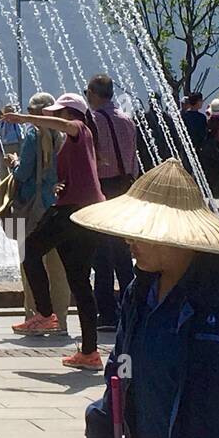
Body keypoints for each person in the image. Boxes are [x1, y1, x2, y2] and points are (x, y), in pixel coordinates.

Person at [79, 159, 219, 438]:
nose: (127, 240)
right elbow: (123, 365)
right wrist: (104, 419)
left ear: (171, 231)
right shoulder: (139, 293)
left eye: (138, 231)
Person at [2, 92, 105, 369]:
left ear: (70, 114)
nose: (55, 116)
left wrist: (23, 118)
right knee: (80, 283)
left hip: (70, 212)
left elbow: (67, 125)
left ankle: (46, 314)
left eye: (59, 112)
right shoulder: (82, 140)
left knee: (30, 253)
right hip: (87, 212)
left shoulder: (79, 128)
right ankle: (90, 352)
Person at [6, 92, 71, 333]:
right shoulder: (62, 135)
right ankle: (61, 321)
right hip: (56, 203)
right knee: (58, 267)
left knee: (31, 264)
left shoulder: (34, 135)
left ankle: (34, 316)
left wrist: (12, 163)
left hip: (33, 206)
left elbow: (23, 174)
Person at [85, 74, 139, 332]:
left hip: (102, 189)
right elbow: (134, 158)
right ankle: (134, 307)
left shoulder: (92, 120)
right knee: (123, 253)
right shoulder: (127, 120)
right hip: (125, 187)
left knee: (102, 253)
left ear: (93, 93)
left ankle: (107, 313)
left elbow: (90, 159)